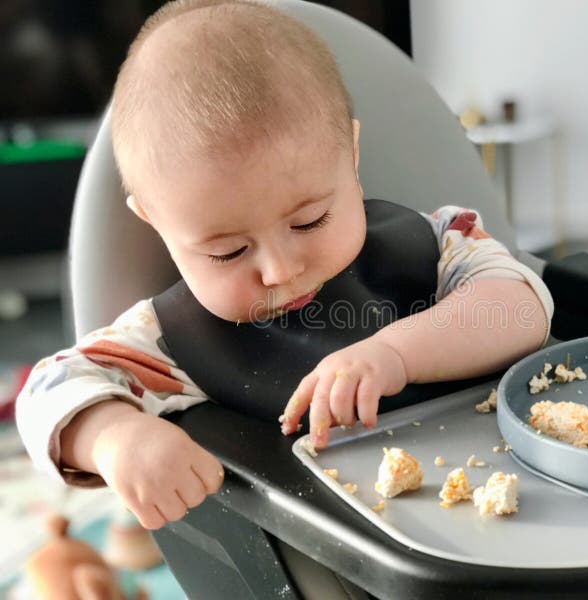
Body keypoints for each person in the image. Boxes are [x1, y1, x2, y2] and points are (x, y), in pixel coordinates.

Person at [16, 0, 553, 531]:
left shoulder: (438, 243)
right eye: (228, 252)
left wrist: (395, 353)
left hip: (523, 504)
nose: (279, 270)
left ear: (352, 155)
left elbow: (518, 308)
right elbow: (48, 389)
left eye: (310, 221)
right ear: (156, 222)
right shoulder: (171, 345)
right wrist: (114, 438)